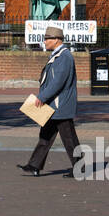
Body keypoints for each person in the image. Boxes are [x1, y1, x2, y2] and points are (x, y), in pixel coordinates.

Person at [18, 25, 81, 179]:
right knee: (45, 135)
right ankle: (34, 165)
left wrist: (42, 97)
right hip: (53, 104)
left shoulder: (64, 57)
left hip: (60, 105)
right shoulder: (57, 55)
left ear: (57, 40)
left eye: (47, 39)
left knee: (69, 138)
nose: (44, 42)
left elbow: (58, 82)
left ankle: (79, 167)